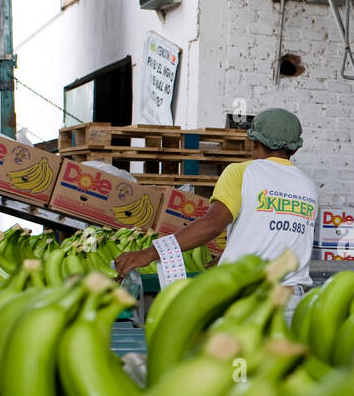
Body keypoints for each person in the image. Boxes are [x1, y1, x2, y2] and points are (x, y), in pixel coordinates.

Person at [114, 108, 319, 307]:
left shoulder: (242, 172)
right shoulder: (308, 186)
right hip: (293, 300)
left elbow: (213, 224)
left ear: (255, 143)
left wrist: (150, 253)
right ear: (295, 148)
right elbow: (278, 233)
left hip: (247, 297)